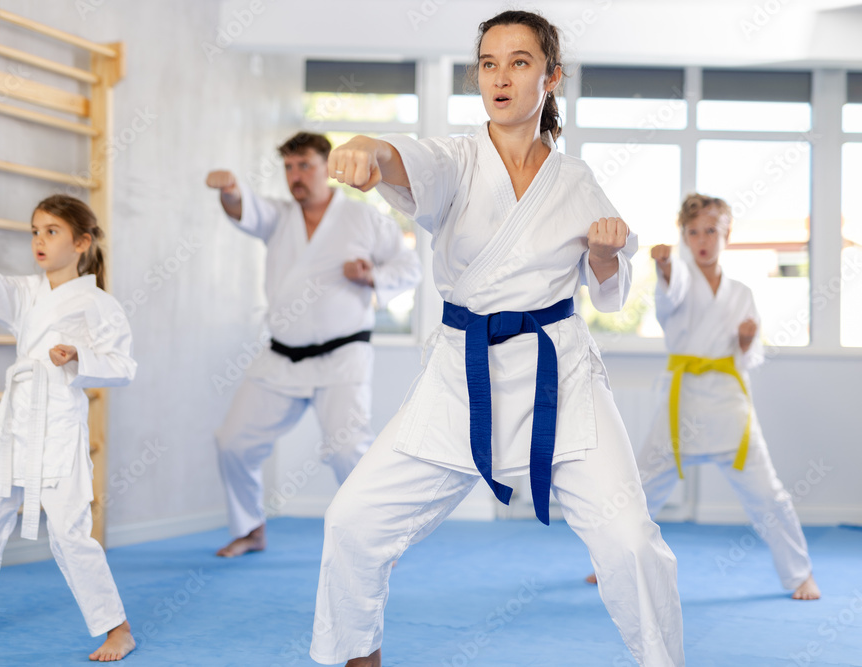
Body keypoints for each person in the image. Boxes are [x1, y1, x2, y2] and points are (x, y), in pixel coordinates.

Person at [310, 11, 684, 667]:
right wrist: (367, 147)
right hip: (462, 378)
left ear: (551, 76)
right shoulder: (456, 160)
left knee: (630, 539)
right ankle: (358, 656)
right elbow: (402, 158)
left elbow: (611, 293)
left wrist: (603, 255)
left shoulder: (575, 180)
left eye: (519, 62)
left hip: (560, 379)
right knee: (351, 520)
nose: (500, 77)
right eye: (488, 63)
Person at [0, 195, 138, 662]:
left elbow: (123, 366)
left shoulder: (99, 304)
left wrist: (78, 357)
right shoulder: (26, 292)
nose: (39, 240)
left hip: (57, 428)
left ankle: (118, 628)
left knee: (69, 535)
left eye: (52, 231)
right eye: (35, 230)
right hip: (15, 425)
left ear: (81, 242)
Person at [584, 194, 820, 601]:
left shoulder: (741, 292)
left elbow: (750, 358)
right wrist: (664, 266)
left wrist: (745, 342)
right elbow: (670, 295)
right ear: (684, 237)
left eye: (711, 230)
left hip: (729, 406)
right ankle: (609, 562)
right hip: (684, 405)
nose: (703, 240)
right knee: (639, 489)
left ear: (727, 234)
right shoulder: (679, 278)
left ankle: (801, 574)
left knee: (769, 496)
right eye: (693, 232)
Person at [205, 132, 422, 558]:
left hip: (343, 357)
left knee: (347, 450)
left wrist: (372, 276)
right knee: (233, 442)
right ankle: (250, 528)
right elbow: (242, 208)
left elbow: (409, 266)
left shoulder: (363, 218)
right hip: (282, 357)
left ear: (327, 167)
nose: (295, 176)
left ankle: (374, 541)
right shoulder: (279, 216)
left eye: (304, 165)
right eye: (289, 167)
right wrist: (230, 190)